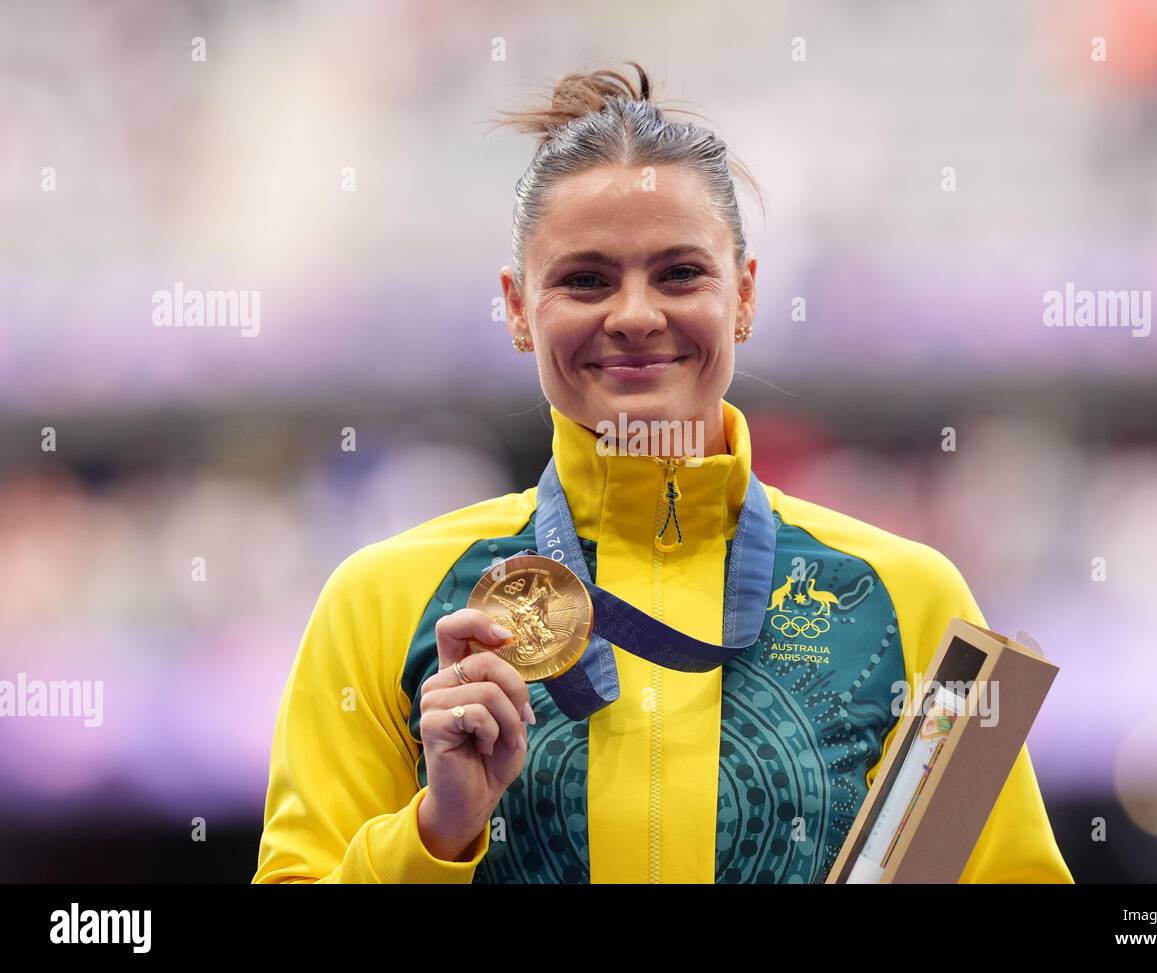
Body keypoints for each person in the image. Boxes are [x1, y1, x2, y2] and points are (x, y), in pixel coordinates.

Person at [253, 62, 1073, 884]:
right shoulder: (384, 602)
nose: (637, 315)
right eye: (585, 280)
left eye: (680, 273)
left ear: (745, 297)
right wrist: (438, 830)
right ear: (515, 306)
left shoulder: (908, 597)